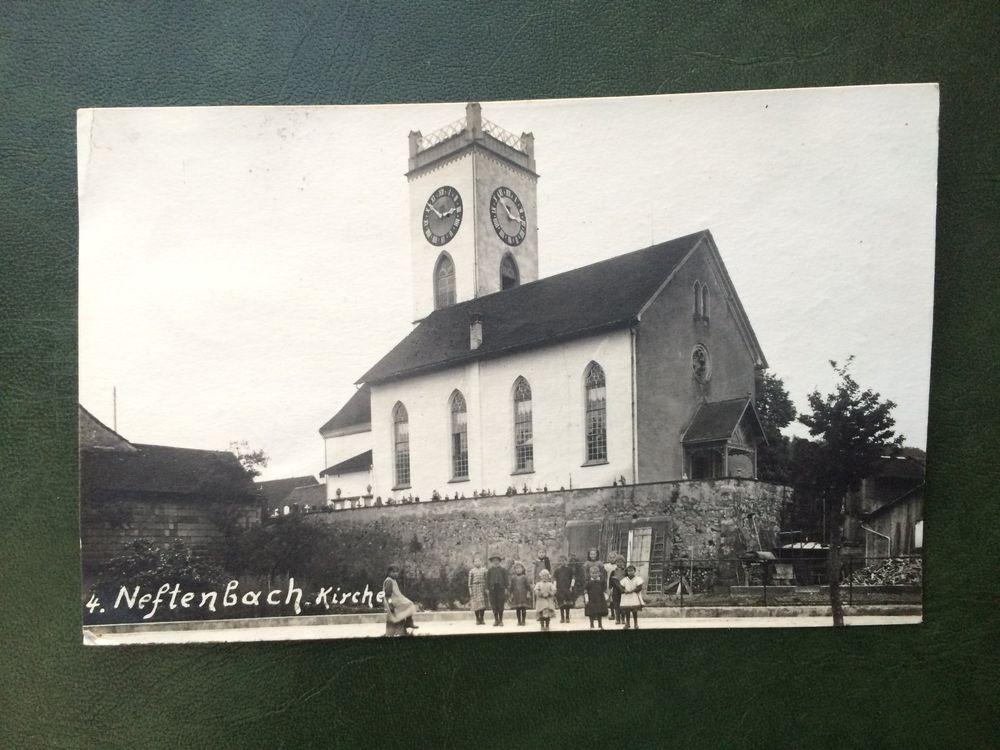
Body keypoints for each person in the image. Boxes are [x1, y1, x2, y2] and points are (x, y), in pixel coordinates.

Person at [383, 563, 417, 637]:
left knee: (409, 605)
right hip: (394, 601)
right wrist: (390, 604)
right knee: (409, 604)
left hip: (397, 600)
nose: (395, 574)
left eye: (397, 572)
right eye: (393, 572)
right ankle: (408, 622)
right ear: (389, 573)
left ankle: (407, 623)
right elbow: (388, 595)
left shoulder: (393, 580)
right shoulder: (389, 581)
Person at [485, 554, 509, 626]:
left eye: (497, 560)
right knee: (494, 604)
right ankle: (496, 620)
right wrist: (487, 588)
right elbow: (487, 580)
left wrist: (506, 588)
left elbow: (506, 580)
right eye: (494, 560)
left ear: (499, 561)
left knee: (500, 604)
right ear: (492, 562)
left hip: (501, 589)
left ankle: (501, 620)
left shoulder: (503, 570)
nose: (496, 562)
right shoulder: (489, 570)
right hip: (492, 589)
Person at [619, 564, 645, 629]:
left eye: (632, 570)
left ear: (634, 571)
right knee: (627, 611)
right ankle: (627, 623)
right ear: (627, 572)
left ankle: (636, 624)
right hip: (627, 597)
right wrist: (624, 591)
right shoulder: (625, 579)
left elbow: (640, 587)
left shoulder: (637, 579)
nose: (630, 572)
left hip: (634, 596)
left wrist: (633, 590)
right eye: (629, 571)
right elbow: (621, 587)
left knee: (634, 611)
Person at [553, 555, 576, 623]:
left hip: (567, 589)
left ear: (566, 561)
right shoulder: (557, 570)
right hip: (560, 589)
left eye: (564, 560)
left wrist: (571, 586)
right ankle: (562, 617)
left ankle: (567, 617)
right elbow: (555, 579)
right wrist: (555, 587)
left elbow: (573, 578)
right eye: (560, 561)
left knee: (567, 604)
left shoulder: (570, 569)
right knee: (561, 604)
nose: (562, 562)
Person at [468, 556, 489, 625]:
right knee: (476, 604)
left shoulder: (484, 570)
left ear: (481, 562)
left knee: (482, 604)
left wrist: (486, 588)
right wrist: (470, 590)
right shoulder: (471, 571)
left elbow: (487, 580)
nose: (477, 562)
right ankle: (477, 619)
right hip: (475, 588)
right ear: (474, 563)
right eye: (476, 561)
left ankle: (482, 618)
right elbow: (469, 582)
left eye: (479, 561)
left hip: (482, 587)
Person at [509, 561, 532, 626]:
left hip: (523, 595)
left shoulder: (525, 577)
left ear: (522, 569)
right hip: (516, 595)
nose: (518, 570)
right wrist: (511, 594)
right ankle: (519, 621)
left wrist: (528, 593)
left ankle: (523, 621)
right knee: (518, 609)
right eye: (516, 568)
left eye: (519, 568)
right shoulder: (513, 578)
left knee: (523, 608)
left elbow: (528, 586)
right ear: (515, 570)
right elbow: (511, 587)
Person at [608, 555, 627, 625]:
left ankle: (623, 619)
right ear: (615, 563)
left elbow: (628, 580)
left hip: (623, 590)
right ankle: (617, 619)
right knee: (616, 605)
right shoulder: (613, 572)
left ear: (624, 563)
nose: (619, 563)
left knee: (623, 605)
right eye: (618, 562)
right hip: (615, 590)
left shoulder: (626, 571)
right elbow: (611, 581)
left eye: (621, 562)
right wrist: (610, 589)